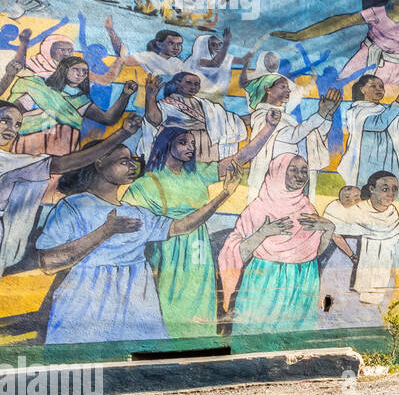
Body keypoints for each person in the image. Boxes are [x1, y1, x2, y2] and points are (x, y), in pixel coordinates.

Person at [36, 142, 238, 344]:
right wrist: (105, 231)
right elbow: (48, 262)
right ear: (99, 162)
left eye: (133, 160)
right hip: (86, 303)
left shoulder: (136, 212)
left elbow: (181, 227)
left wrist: (225, 194)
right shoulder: (73, 206)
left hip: (137, 305)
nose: (133, 166)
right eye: (124, 161)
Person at [123, 122, 275, 337]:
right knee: (168, 304)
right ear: (166, 145)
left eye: (193, 143)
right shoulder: (146, 184)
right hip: (168, 252)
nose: (190, 147)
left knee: (201, 300)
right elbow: (132, 224)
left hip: (198, 250)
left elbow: (240, 158)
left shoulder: (197, 173)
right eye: (183, 142)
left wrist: (269, 127)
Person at [0, 103, 143, 277]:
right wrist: (123, 133)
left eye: (17, 125)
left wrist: (123, 133)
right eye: (5, 121)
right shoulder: (8, 163)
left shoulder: (13, 163)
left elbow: (64, 164)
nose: (12, 129)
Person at [219, 154, 336, 335]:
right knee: (257, 335)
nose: (300, 175)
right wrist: (263, 233)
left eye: (304, 170)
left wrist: (328, 228)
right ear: (278, 172)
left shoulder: (306, 207)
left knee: (296, 336)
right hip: (266, 280)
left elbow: (314, 252)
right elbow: (236, 253)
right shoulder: (259, 208)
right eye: (293, 170)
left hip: (304, 279)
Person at [5, 57, 138, 156]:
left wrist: (125, 95)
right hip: (31, 143)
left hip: (63, 148)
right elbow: (13, 113)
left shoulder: (81, 100)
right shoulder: (39, 89)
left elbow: (108, 119)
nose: (81, 74)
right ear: (64, 69)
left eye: (85, 71)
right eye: (76, 69)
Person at [244, 73, 341, 198]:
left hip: (298, 176)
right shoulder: (262, 115)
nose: (288, 90)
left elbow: (313, 136)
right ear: (268, 89)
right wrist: (320, 114)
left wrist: (327, 116)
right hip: (278, 179)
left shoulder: (286, 118)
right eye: (283, 87)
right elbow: (293, 136)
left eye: (287, 87)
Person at [323, 171, 399, 306]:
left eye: (394, 189)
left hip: (384, 270)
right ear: (372, 189)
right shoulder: (357, 210)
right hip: (346, 274)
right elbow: (335, 227)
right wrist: (350, 254)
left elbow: (394, 237)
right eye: (385, 189)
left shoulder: (392, 213)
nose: (391, 193)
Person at [337, 73, 399, 197]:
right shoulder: (357, 112)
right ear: (362, 89)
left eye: (381, 86)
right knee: (369, 196)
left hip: (390, 162)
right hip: (368, 164)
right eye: (373, 86)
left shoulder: (385, 111)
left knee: (393, 196)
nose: (379, 89)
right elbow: (379, 124)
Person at [142, 71, 250, 162]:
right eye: (189, 83)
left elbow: (231, 121)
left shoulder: (207, 105)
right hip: (181, 149)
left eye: (196, 84)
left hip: (208, 149)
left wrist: (255, 117)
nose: (193, 87)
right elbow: (154, 119)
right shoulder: (168, 103)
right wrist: (150, 98)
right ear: (178, 83)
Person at [188, 30, 237, 95]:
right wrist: (226, 43)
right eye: (213, 45)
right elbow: (215, 64)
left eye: (219, 44)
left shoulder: (211, 58)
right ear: (204, 45)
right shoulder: (196, 60)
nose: (217, 47)